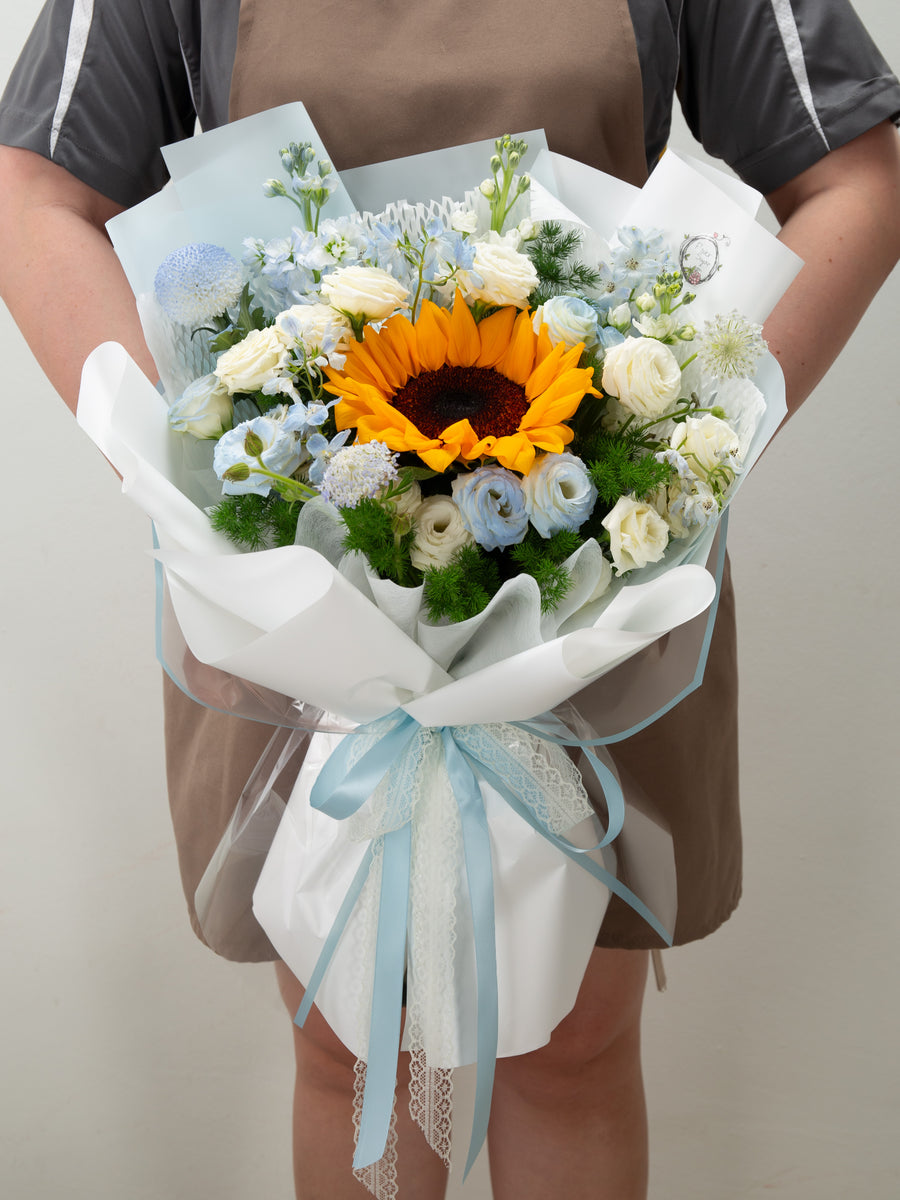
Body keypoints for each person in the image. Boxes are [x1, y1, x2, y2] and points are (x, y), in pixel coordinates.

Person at [1, 3, 898, 1197]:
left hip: (593, 579)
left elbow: (853, 177)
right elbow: (38, 191)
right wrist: (195, 487)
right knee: (355, 1045)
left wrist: (684, 453)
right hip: (298, 589)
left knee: (573, 1045)